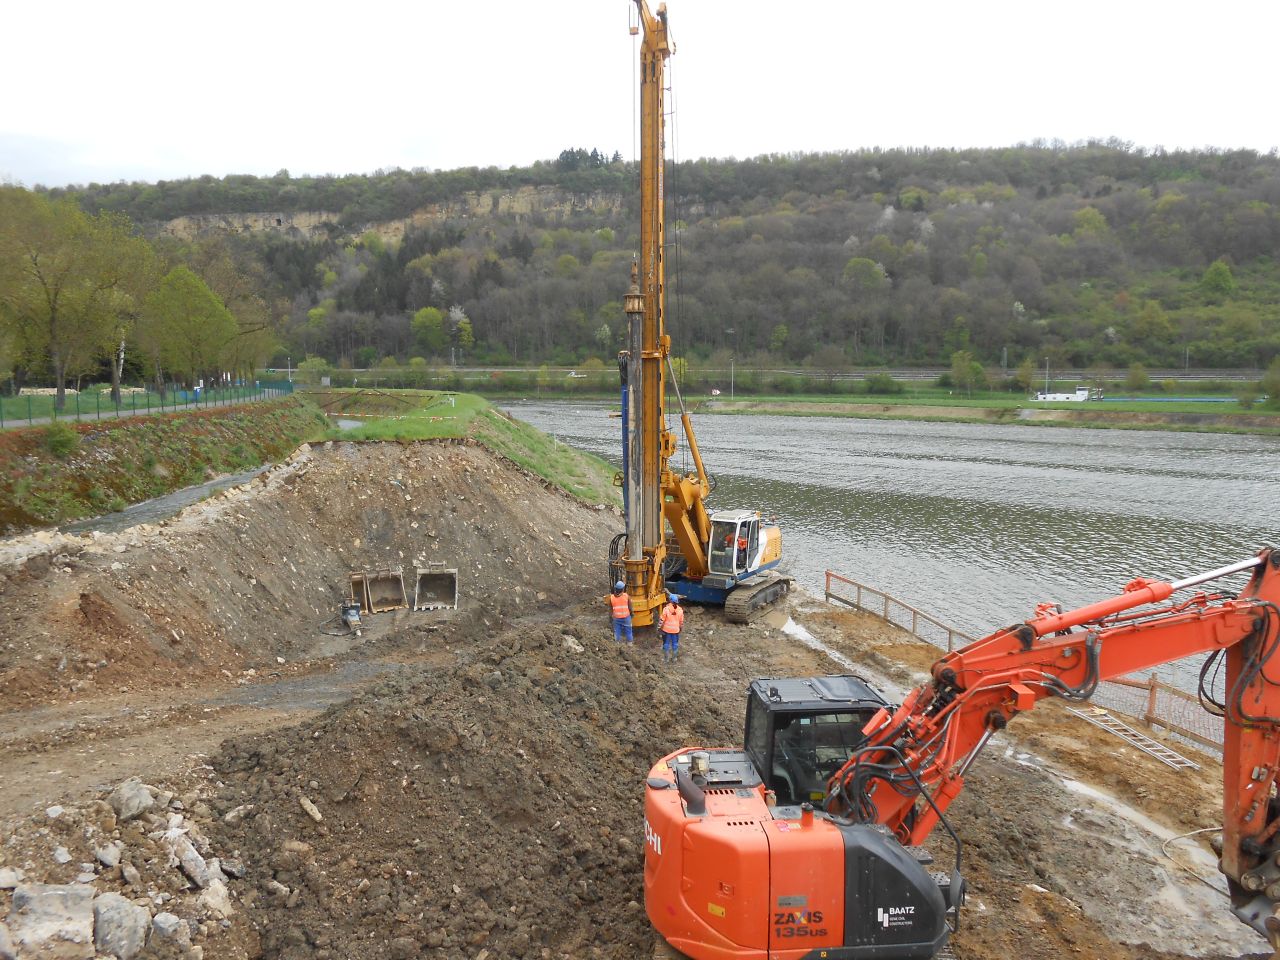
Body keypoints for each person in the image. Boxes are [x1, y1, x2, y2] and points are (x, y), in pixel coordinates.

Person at [659, 592, 684, 662]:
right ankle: (674, 658)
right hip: (675, 630)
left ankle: (666, 659)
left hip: (666, 630)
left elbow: (662, 619)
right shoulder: (680, 610)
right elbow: (681, 621)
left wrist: (659, 628)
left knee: (666, 644)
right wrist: (680, 628)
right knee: (675, 644)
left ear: (670, 600)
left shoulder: (666, 609)